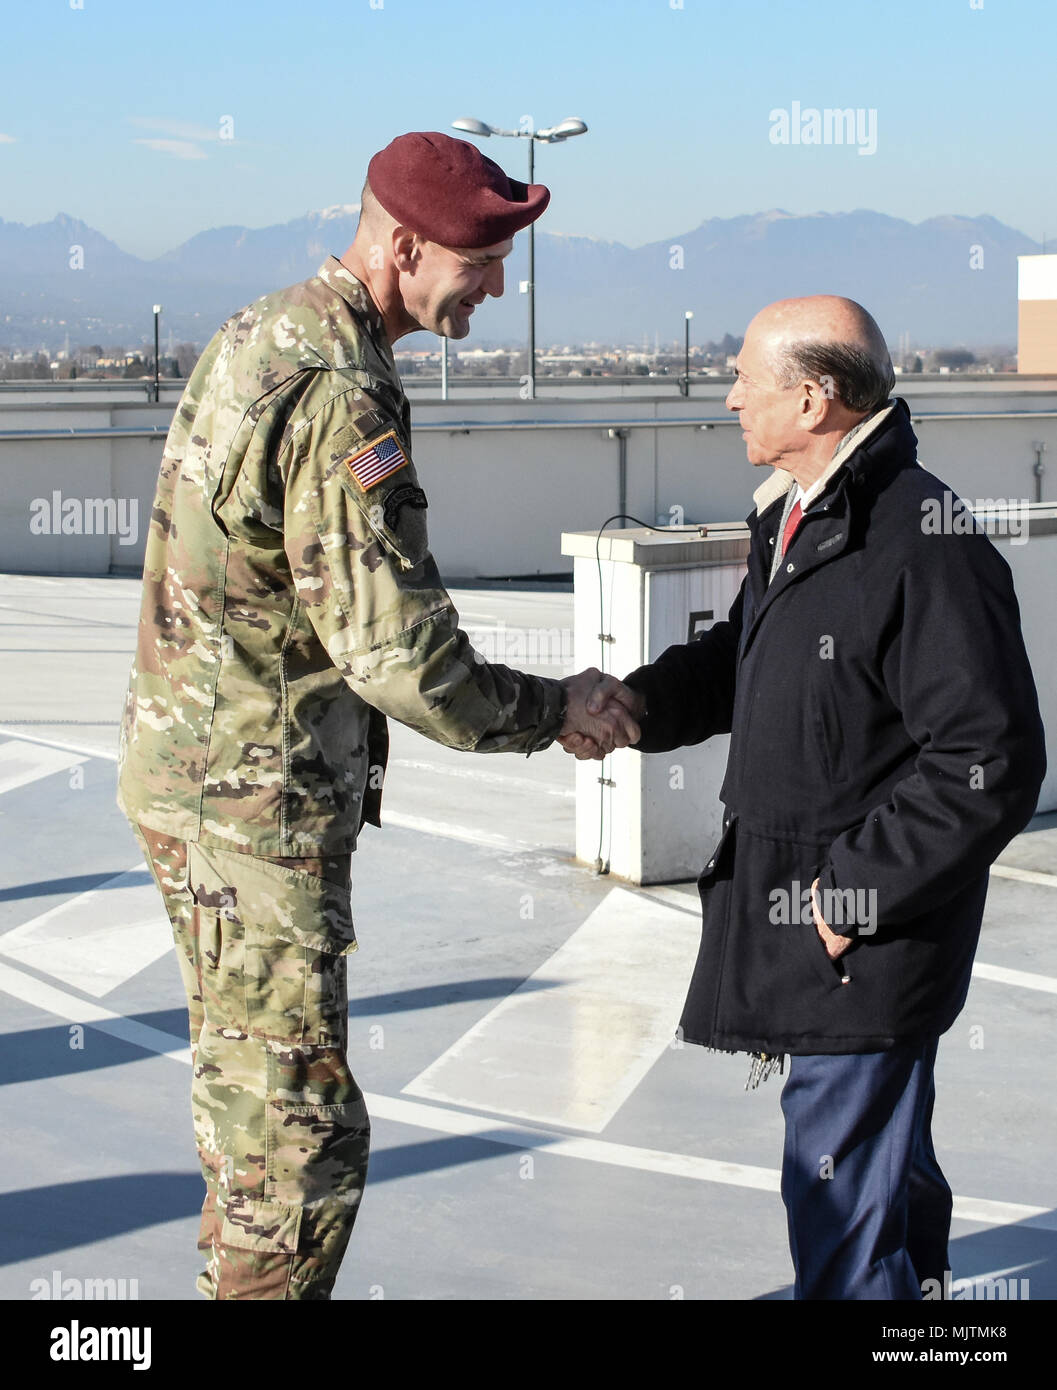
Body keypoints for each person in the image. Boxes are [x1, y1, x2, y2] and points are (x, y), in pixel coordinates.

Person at [117, 130, 640, 1300]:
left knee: (250, 1106)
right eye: (480, 258)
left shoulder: (267, 328)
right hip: (254, 813)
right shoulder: (342, 390)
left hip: (198, 781)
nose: (497, 286)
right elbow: (398, 651)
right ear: (402, 244)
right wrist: (557, 707)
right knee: (297, 1147)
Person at [562, 296, 1046, 1300]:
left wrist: (844, 900)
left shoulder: (920, 539)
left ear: (814, 397)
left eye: (747, 375)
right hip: (806, 911)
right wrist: (636, 705)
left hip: (863, 935)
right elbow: (744, 660)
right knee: (882, 1153)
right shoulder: (798, 513)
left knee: (835, 1196)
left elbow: (987, 758)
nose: (728, 392)